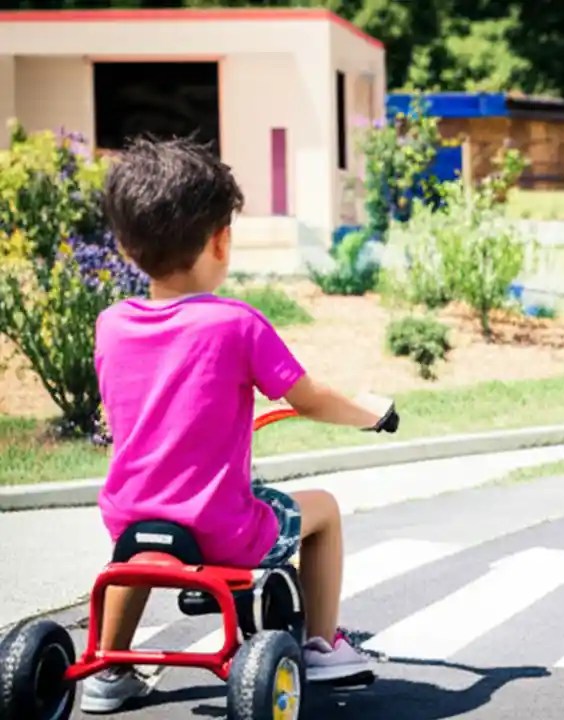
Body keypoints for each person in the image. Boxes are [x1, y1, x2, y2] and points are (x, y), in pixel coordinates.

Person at [80, 136, 397, 713]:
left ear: (125, 247)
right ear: (221, 241)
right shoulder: (237, 324)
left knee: (138, 547)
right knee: (321, 507)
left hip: (129, 517)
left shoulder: (110, 325)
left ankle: (108, 666)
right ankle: (324, 646)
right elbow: (309, 398)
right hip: (220, 531)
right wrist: (370, 413)